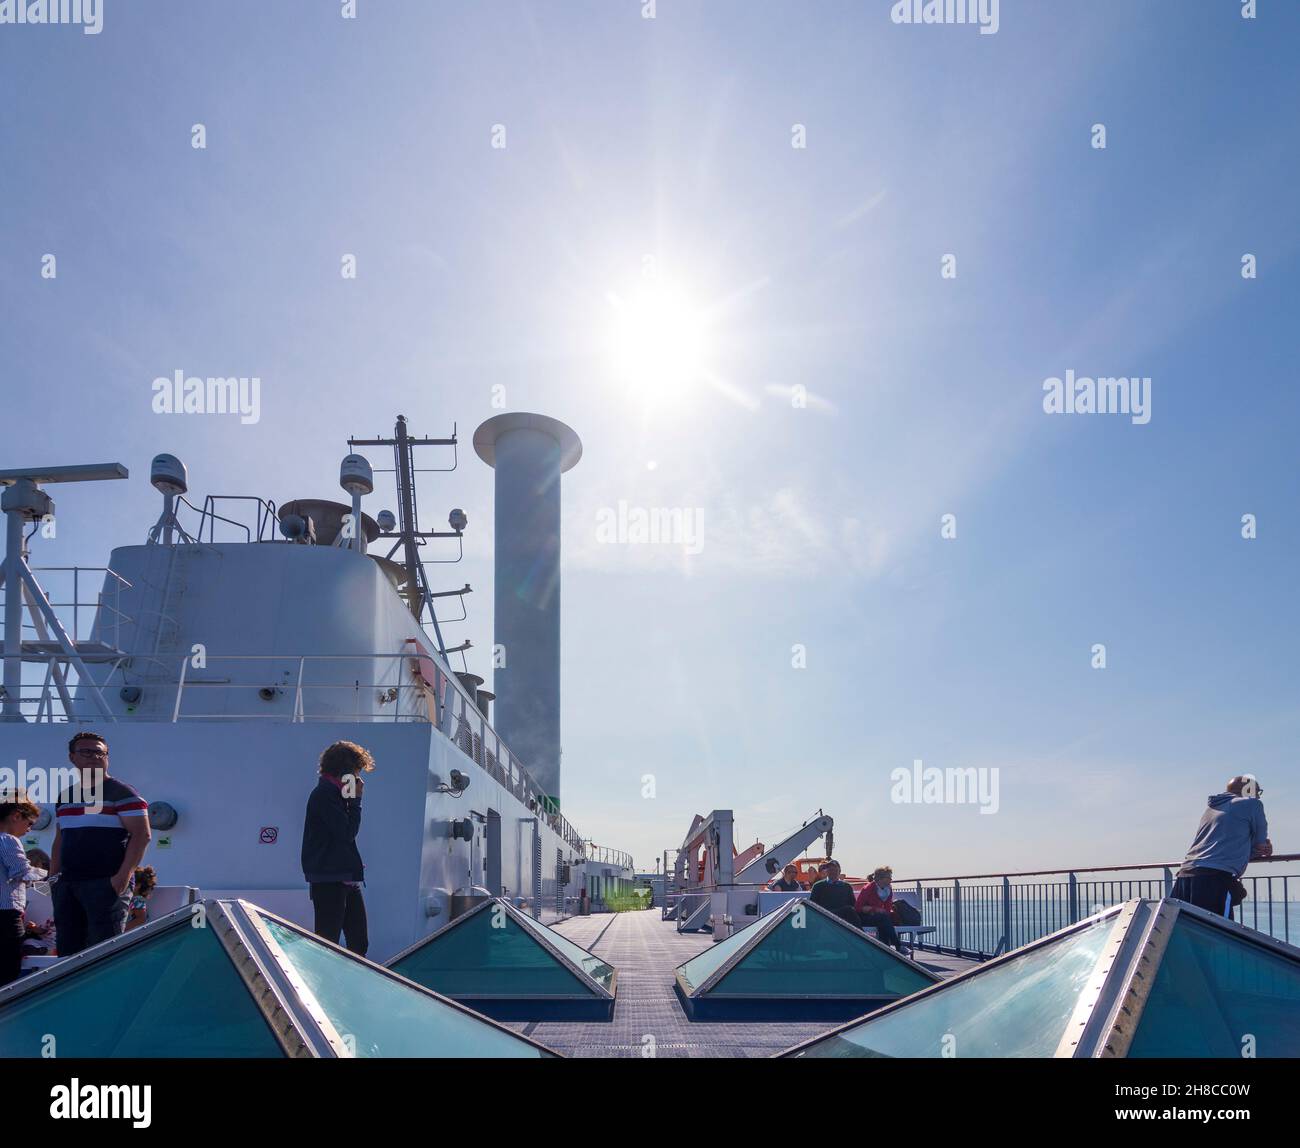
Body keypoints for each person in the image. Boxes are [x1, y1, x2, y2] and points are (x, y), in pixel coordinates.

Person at [49, 732, 151, 957]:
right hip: (67, 885)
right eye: (86, 751)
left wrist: (122, 878)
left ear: (107, 757)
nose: (94, 756)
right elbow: (60, 838)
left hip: (106, 884)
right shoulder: (66, 796)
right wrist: (54, 877)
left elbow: (142, 835)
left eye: (100, 752)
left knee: (103, 954)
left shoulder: (123, 793)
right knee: (67, 953)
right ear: (72, 757)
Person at [302, 740, 373, 956]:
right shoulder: (325, 795)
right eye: (356, 772)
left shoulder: (335, 793)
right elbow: (347, 833)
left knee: (359, 941)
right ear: (345, 771)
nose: (358, 779)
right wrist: (356, 801)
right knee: (327, 942)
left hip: (344, 877)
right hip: (329, 878)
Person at [1172, 776, 1272, 917]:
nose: (1258, 796)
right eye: (1258, 791)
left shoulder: (1211, 808)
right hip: (1214, 878)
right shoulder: (1252, 804)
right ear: (1249, 790)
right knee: (1219, 930)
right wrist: (1265, 847)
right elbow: (1260, 845)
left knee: (1187, 930)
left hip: (1185, 875)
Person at [1, 795, 46, 986]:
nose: (28, 830)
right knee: (8, 970)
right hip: (5, 915)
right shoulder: (8, 840)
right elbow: (23, 873)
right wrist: (52, 873)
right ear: (16, 816)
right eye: (29, 824)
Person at [856, 865, 904, 951]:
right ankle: (897, 945)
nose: (891, 880)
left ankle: (885, 950)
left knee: (884, 921)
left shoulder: (888, 889)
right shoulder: (868, 888)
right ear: (880, 879)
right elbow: (858, 908)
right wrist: (874, 909)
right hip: (864, 918)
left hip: (879, 918)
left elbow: (888, 908)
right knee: (883, 919)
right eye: (889, 877)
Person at [126, 865, 157, 931]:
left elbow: (141, 919)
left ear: (137, 886)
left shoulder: (138, 899)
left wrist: (122, 930)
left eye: (128, 882)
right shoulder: (130, 898)